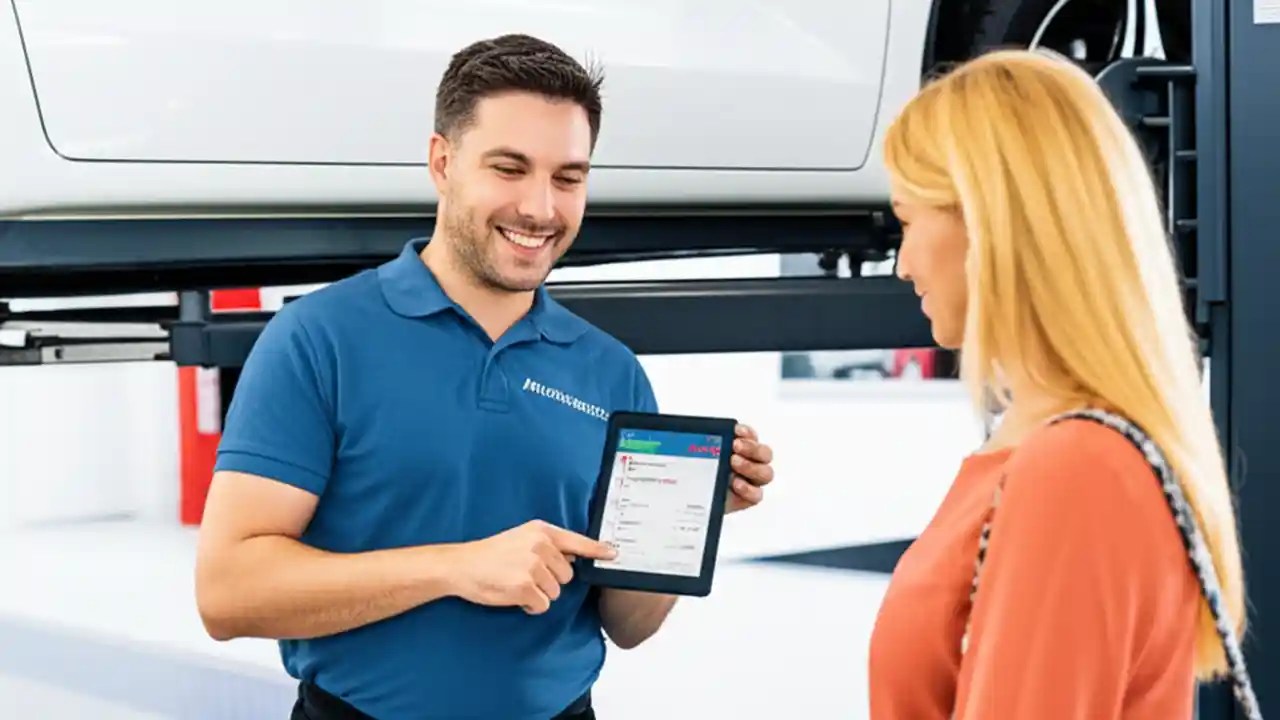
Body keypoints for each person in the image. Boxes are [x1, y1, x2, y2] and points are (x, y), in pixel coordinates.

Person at [193, 33, 775, 720]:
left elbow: (630, 625)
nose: (541, 208)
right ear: (442, 162)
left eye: (568, 177)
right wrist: (455, 567)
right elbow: (227, 595)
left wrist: (687, 520)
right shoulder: (319, 339)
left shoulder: (610, 371)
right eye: (509, 168)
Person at [869, 49, 1249, 718]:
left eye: (907, 219)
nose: (901, 263)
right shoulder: (1064, 453)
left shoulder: (1076, 468)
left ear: (989, 222)